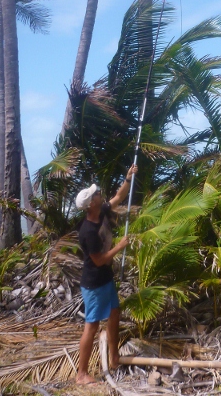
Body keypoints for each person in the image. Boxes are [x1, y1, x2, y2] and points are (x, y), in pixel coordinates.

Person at [75, 165, 137, 385]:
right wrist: (120, 246)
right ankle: (81, 375)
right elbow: (99, 260)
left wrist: (128, 178)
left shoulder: (101, 211)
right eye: (97, 194)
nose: (100, 195)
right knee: (91, 326)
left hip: (106, 278)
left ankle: (114, 357)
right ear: (90, 203)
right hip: (93, 284)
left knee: (114, 313)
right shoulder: (88, 232)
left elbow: (119, 196)